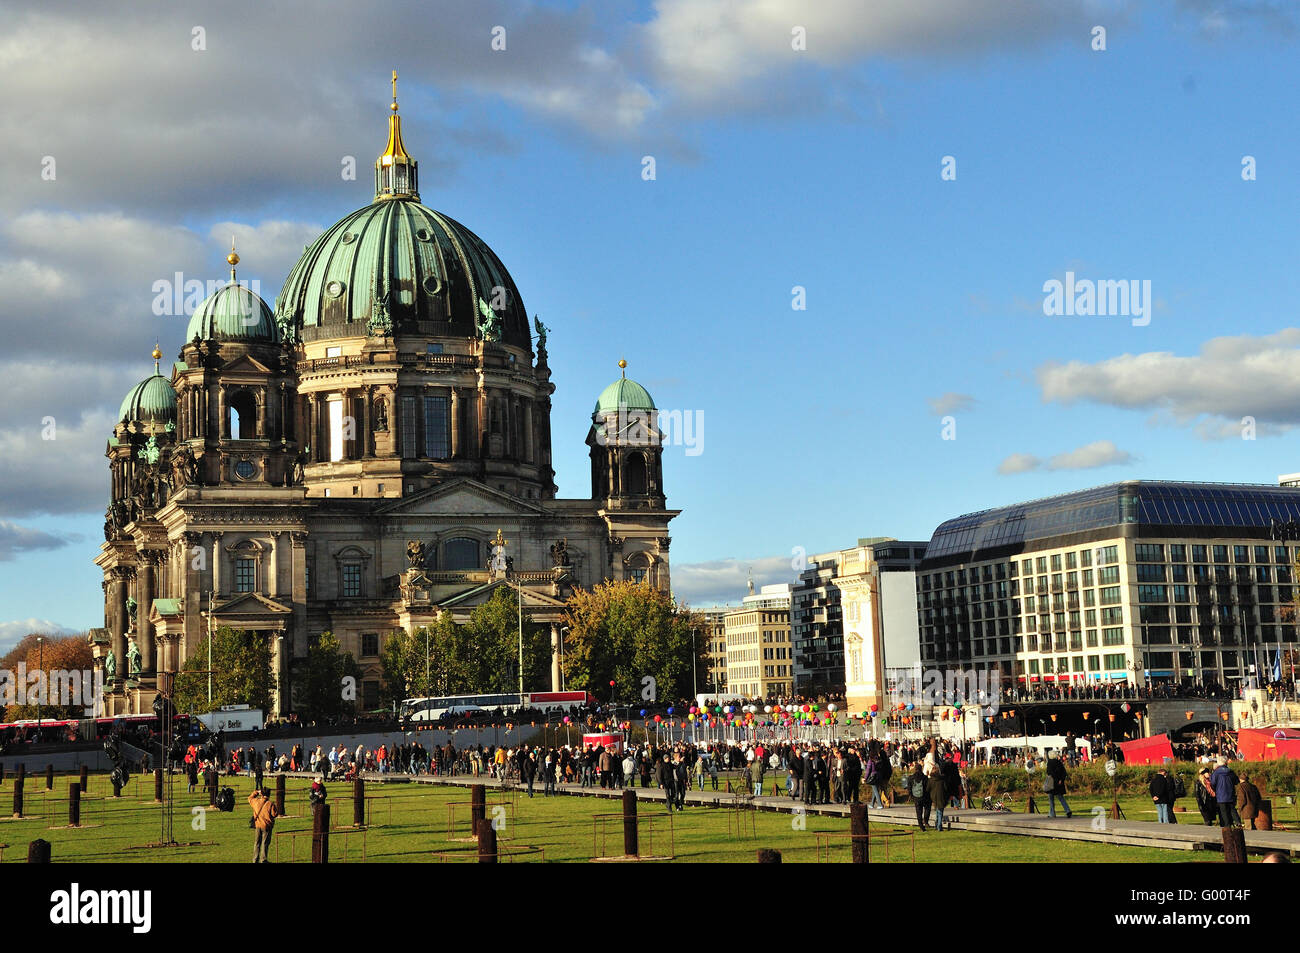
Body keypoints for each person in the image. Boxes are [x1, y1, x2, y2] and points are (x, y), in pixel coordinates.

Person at [248, 787, 280, 863]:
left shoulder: (256, 801)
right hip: (267, 826)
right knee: (265, 843)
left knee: (257, 843)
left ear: (261, 793)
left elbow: (250, 798)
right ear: (269, 794)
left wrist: (256, 792)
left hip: (258, 825)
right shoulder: (270, 804)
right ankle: (263, 859)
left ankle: (255, 859)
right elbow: (274, 814)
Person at [1210, 756, 1242, 828]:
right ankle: (1237, 821)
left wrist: (1215, 790)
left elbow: (1213, 783)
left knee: (1223, 811)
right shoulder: (1230, 772)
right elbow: (1236, 781)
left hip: (1220, 794)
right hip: (1230, 793)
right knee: (1232, 809)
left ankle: (1227, 825)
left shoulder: (1216, 773)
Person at [1044, 751, 1073, 819]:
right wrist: (1061, 780)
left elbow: (1049, 772)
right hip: (1059, 783)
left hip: (1052, 783)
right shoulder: (1059, 762)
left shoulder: (1050, 763)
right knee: (1061, 797)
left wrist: (1056, 779)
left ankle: (1052, 813)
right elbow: (1064, 772)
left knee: (1051, 798)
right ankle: (1067, 810)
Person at [926, 763, 949, 832]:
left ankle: (937, 825)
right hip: (941, 796)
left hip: (933, 796)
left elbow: (927, 789)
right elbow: (946, 788)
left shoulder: (930, 780)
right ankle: (939, 826)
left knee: (937, 811)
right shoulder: (942, 780)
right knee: (940, 812)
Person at [908, 763, 930, 831]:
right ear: (921, 769)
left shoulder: (911, 778)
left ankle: (921, 826)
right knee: (927, 808)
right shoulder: (925, 778)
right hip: (924, 796)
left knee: (919, 811)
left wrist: (911, 795)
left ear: (915, 769)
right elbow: (927, 788)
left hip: (916, 797)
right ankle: (925, 820)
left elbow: (909, 788)